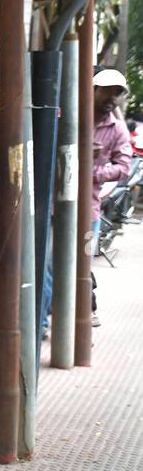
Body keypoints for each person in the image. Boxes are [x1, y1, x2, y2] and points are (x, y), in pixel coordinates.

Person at [89, 68, 133, 326]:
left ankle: (85, 309)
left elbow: (123, 167)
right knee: (48, 264)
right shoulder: (73, 117)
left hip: (90, 209)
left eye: (117, 93)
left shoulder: (117, 130)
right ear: (94, 90)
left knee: (82, 263)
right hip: (53, 207)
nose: (112, 97)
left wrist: (94, 171)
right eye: (108, 90)